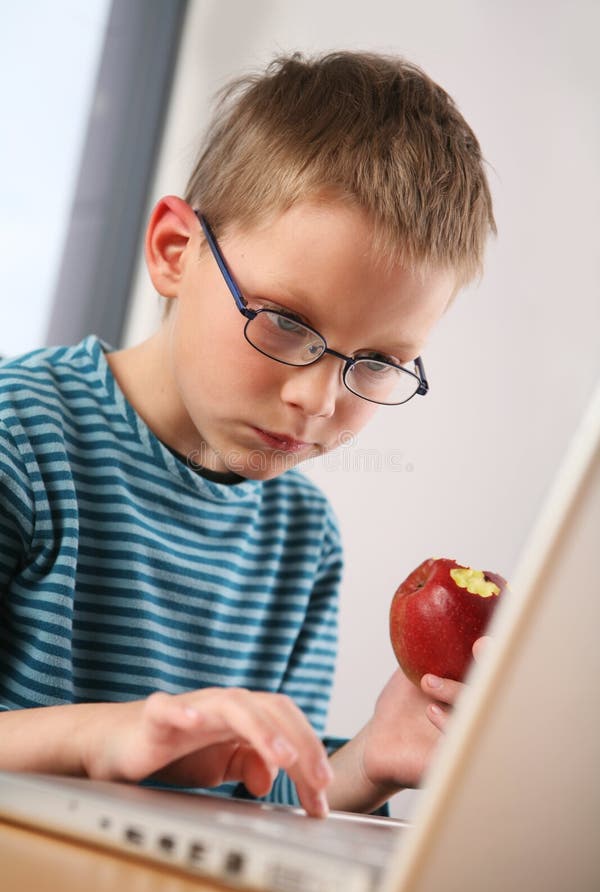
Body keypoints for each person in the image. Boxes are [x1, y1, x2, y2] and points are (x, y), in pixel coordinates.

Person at [0, 51, 495, 818]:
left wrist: (368, 760)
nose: (315, 398)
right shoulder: (19, 441)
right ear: (175, 251)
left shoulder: (304, 542)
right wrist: (98, 736)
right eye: (288, 322)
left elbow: (263, 794)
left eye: (376, 362)